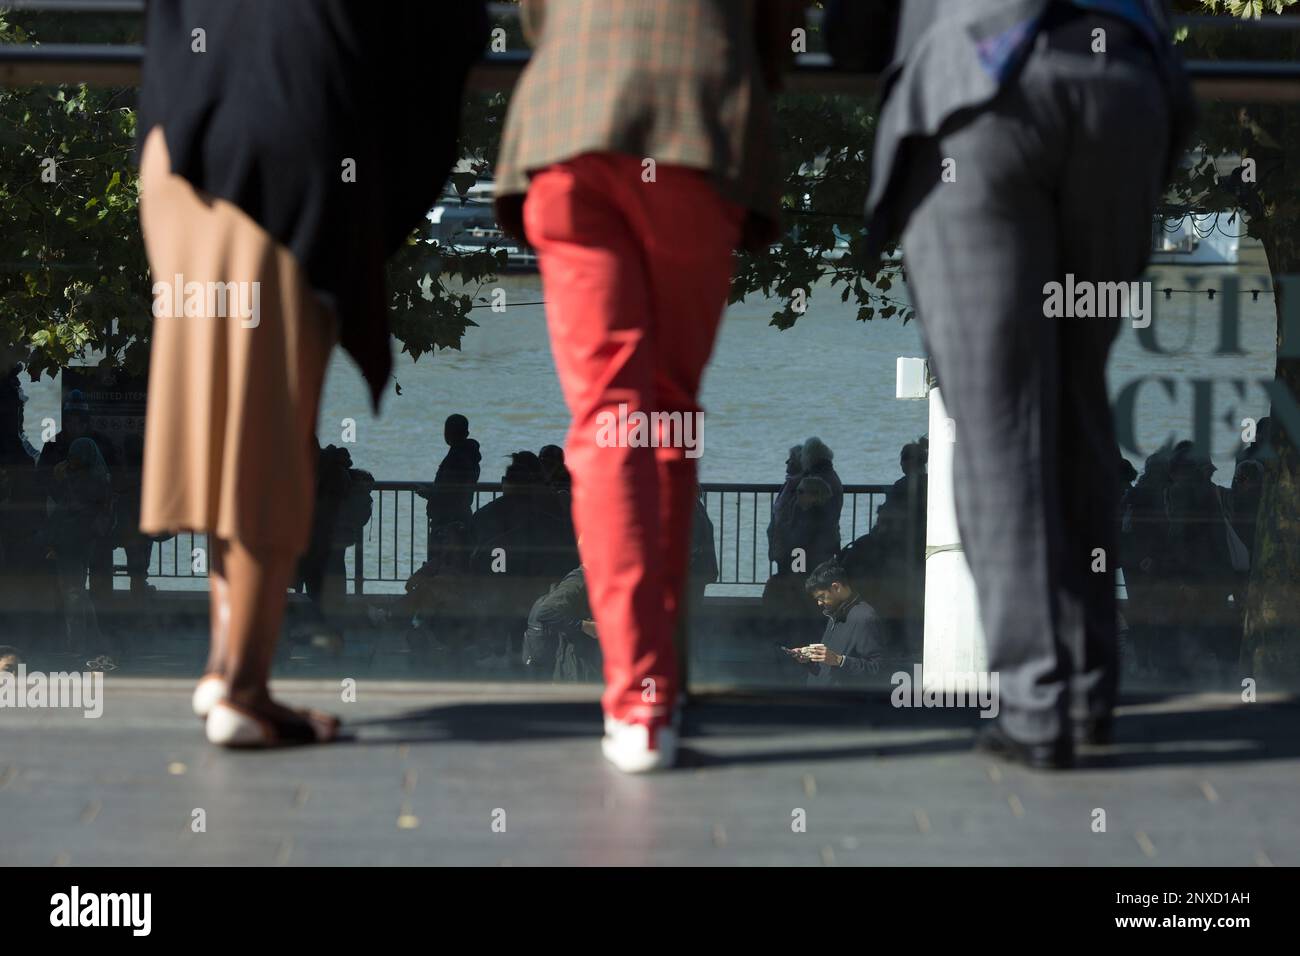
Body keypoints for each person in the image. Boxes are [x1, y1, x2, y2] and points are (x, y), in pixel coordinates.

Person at [831, 0, 1194, 769]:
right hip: (1124, 82)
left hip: (979, 94)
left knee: (997, 423)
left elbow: (853, 37)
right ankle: (1091, 689)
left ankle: (1036, 705)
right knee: (1077, 401)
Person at [136, 0, 485, 746]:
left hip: (180, 145)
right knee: (273, 431)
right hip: (282, 143)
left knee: (219, 411)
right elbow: (442, 37)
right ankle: (244, 688)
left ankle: (222, 666)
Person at [494, 0, 798, 770]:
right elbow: (777, 32)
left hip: (571, 122)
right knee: (669, 414)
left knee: (608, 416)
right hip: (694, 122)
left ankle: (638, 696)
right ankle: (656, 688)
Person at [783, 559, 885, 687]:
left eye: (822, 597)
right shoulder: (834, 612)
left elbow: (877, 669)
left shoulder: (865, 617)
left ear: (836, 587)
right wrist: (808, 659)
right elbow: (830, 661)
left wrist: (840, 660)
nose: (819, 603)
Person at [420, 414, 482, 552]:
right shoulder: (470, 457)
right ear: (466, 433)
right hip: (462, 516)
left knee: (439, 564)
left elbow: (448, 493)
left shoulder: (456, 459)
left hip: (446, 521)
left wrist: (428, 493)